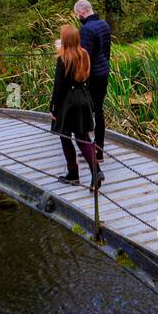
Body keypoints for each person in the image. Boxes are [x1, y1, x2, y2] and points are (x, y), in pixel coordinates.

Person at [50, 25, 104, 192]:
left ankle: (73, 173)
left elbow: (59, 86)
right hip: (83, 96)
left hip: (68, 101)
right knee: (83, 137)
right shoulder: (84, 54)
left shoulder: (64, 58)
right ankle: (97, 172)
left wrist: (53, 108)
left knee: (64, 135)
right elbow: (87, 76)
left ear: (64, 40)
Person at [74, 0, 112, 161]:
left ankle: (93, 150)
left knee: (84, 112)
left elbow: (84, 57)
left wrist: (65, 50)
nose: (77, 17)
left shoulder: (87, 30)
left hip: (92, 77)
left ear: (82, 12)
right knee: (99, 111)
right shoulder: (104, 24)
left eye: (77, 14)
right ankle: (98, 149)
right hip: (104, 72)